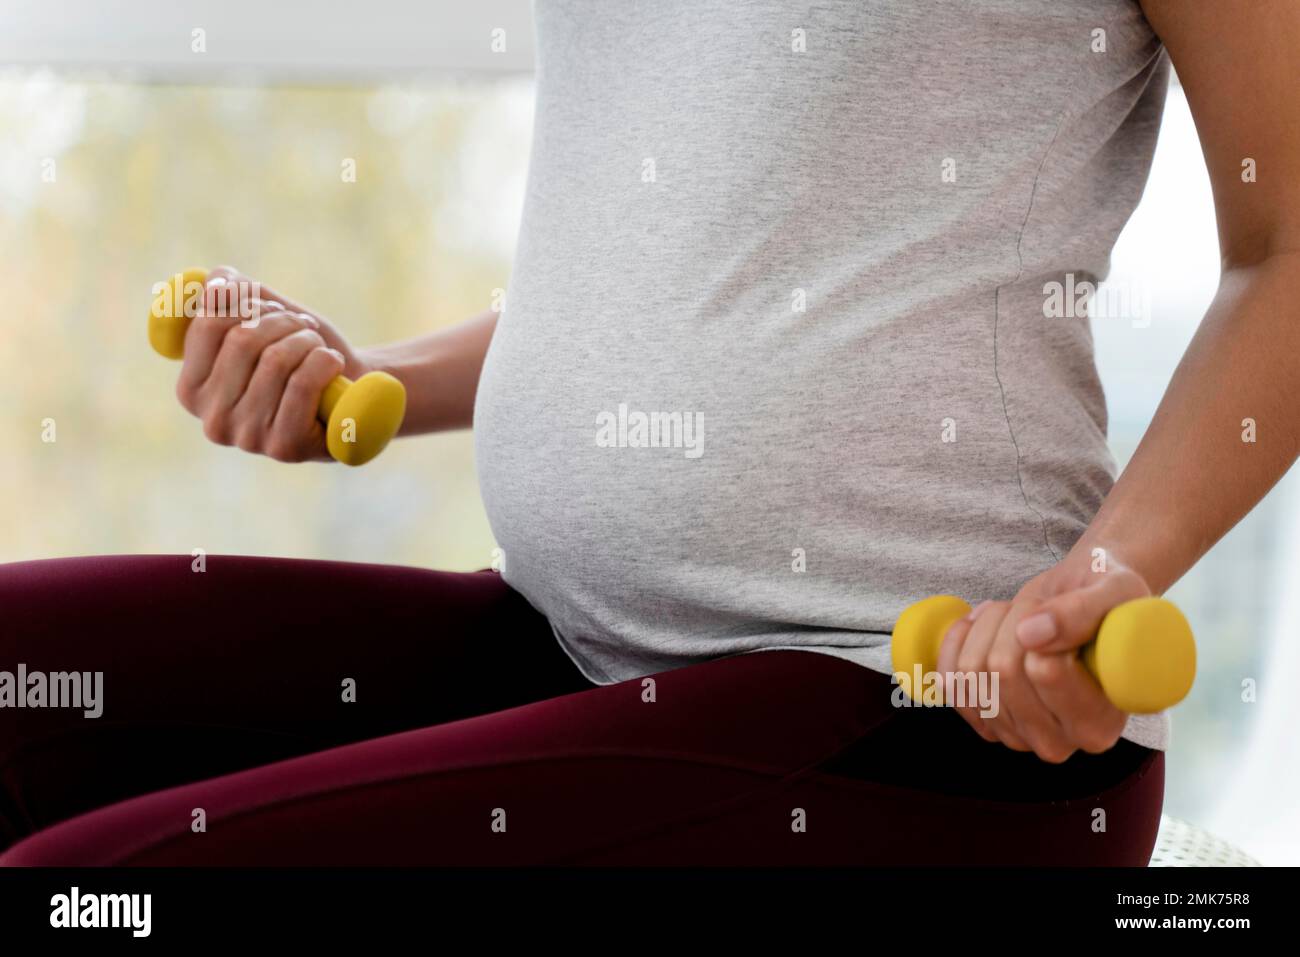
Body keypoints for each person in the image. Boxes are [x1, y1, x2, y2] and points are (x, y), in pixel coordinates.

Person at [2, 0, 1297, 866]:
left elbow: (1288, 244)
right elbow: (686, 274)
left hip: (918, 700)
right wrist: (374, 370)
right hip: (573, 639)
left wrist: (1105, 577)